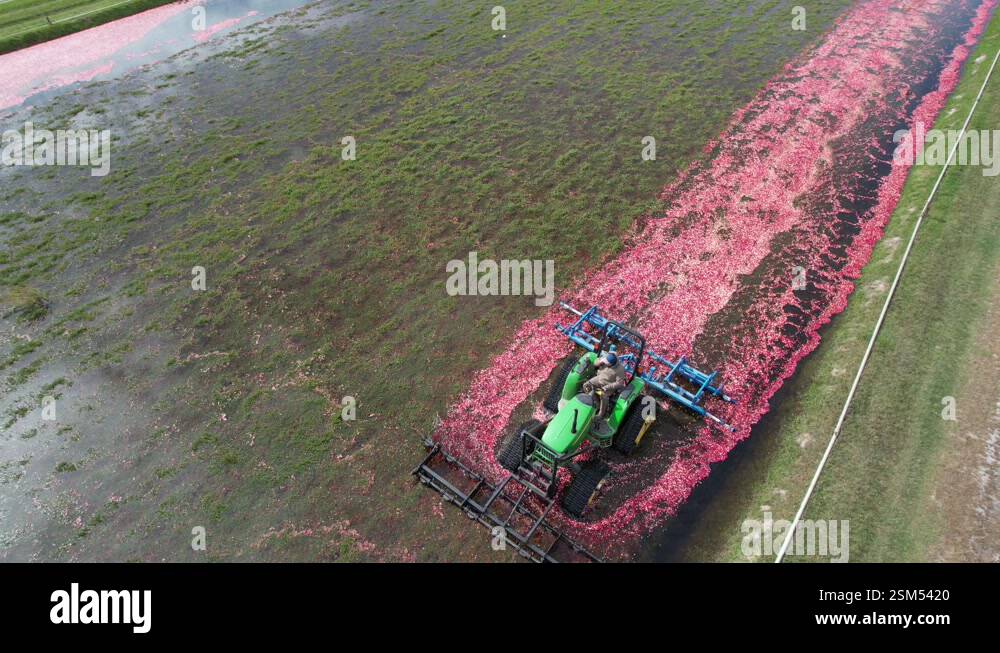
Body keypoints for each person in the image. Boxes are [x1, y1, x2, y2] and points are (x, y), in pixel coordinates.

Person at [583, 351, 626, 417]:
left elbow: (619, 383)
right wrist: (599, 362)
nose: (605, 364)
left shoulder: (620, 369)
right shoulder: (607, 358)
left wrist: (606, 387)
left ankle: (601, 413)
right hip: (599, 379)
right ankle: (596, 403)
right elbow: (595, 363)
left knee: (603, 396)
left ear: (611, 364)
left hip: (608, 385)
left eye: (607, 363)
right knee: (586, 385)